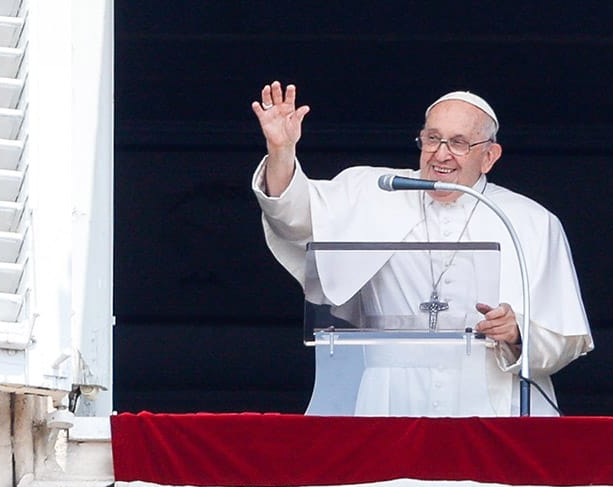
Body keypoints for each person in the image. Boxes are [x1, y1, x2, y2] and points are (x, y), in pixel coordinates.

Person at [251, 81, 593, 416]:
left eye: (459, 143)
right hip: (389, 400)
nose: (441, 154)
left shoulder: (530, 221)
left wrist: (518, 331)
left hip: (491, 401)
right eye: (432, 139)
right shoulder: (375, 192)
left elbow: (566, 337)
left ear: (489, 156)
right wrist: (281, 152)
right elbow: (292, 218)